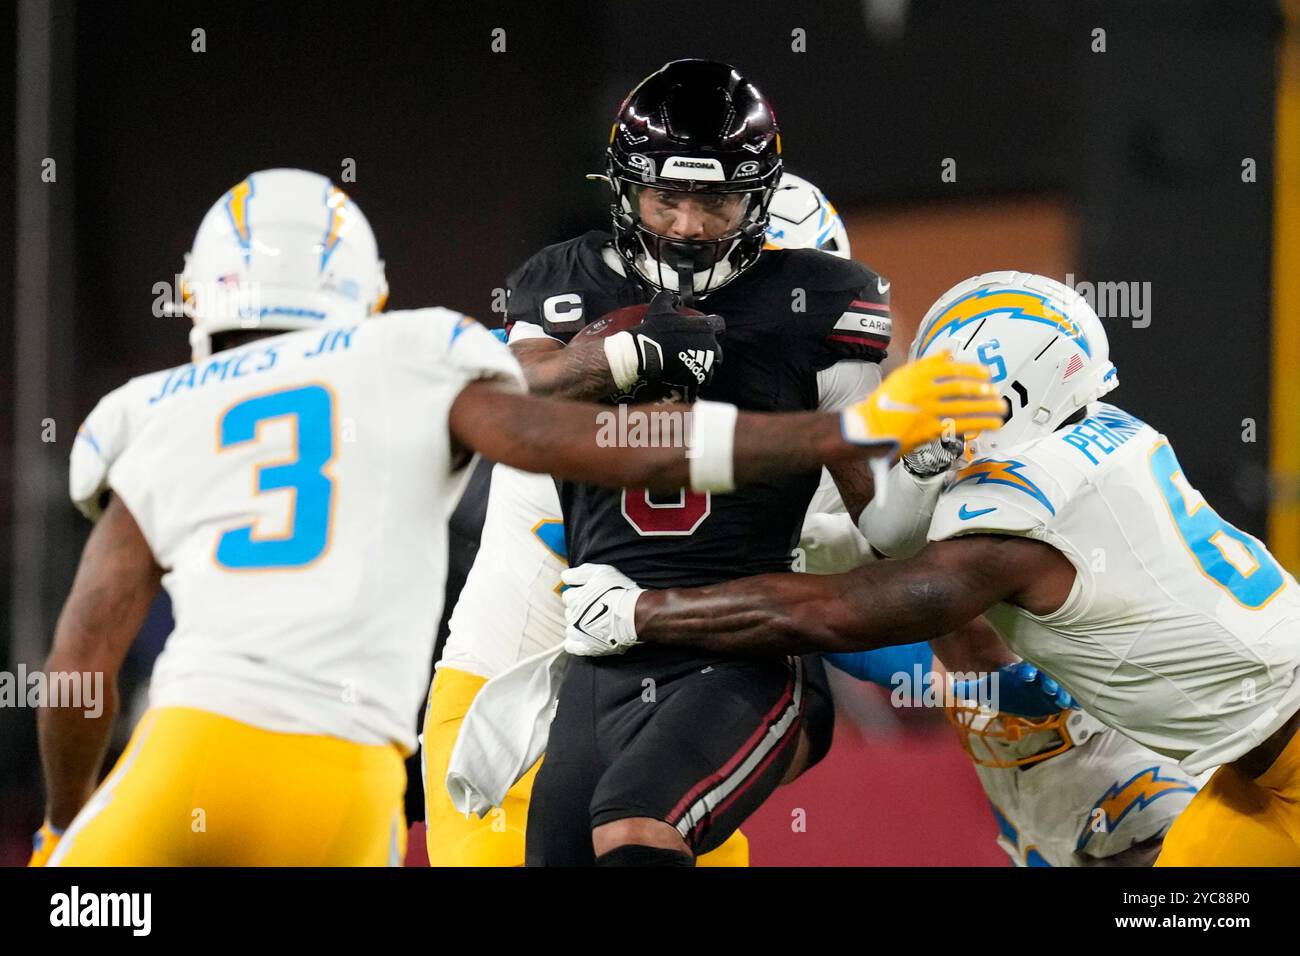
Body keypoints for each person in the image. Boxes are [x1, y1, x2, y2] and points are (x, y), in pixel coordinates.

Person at [29, 168, 1001, 866]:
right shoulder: (524, 353)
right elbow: (547, 396)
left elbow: (856, 594)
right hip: (493, 719)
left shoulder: (162, 408)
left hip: (640, 719)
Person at [562, 270, 1300, 866]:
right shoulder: (1103, 431)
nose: (938, 421)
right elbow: (895, 542)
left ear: (1014, 396)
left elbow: (842, 608)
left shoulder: (1013, 528)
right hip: (1257, 776)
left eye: (956, 398)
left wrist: (644, 610)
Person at [421, 171, 859, 867]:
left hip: (672, 719)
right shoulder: (589, 372)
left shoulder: (807, 424)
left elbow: (844, 636)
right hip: (517, 699)